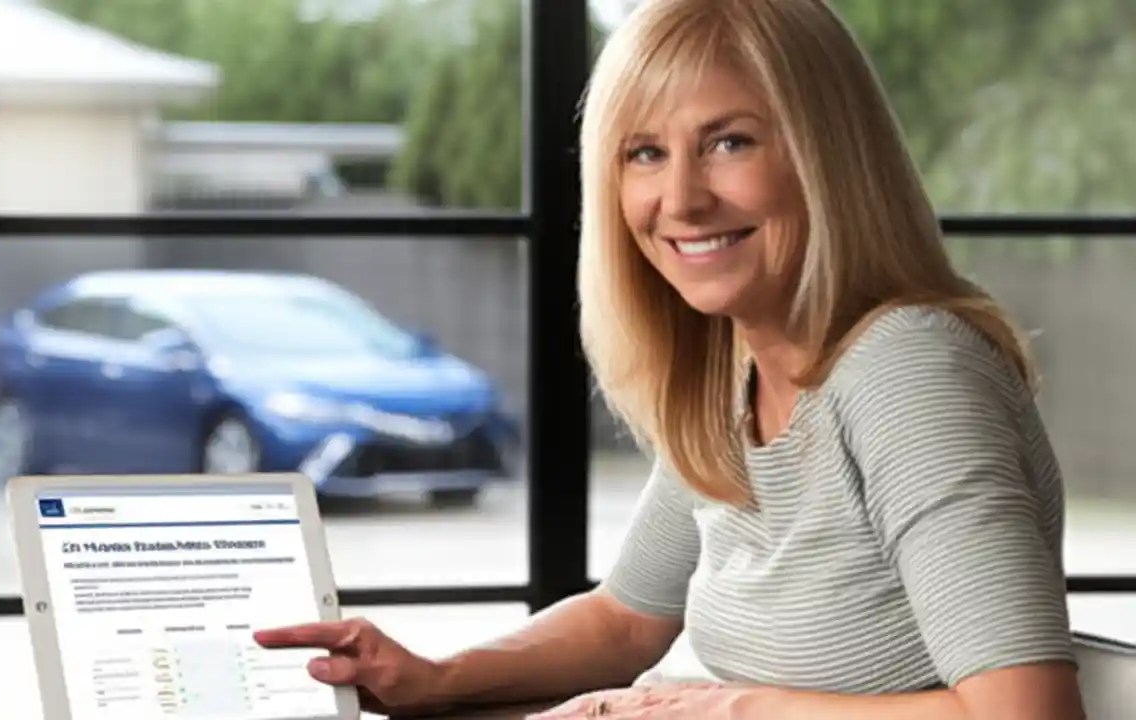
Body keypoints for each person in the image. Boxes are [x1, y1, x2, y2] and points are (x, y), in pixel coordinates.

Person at [253, 0, 1088, 717]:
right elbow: (624, 621)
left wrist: (729, 707)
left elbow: (1024, 713)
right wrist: (435, 677)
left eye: (728, 142)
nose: (679, 200)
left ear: (827, 158)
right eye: (644, 153)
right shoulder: (732, 372)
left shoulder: (908, 372)